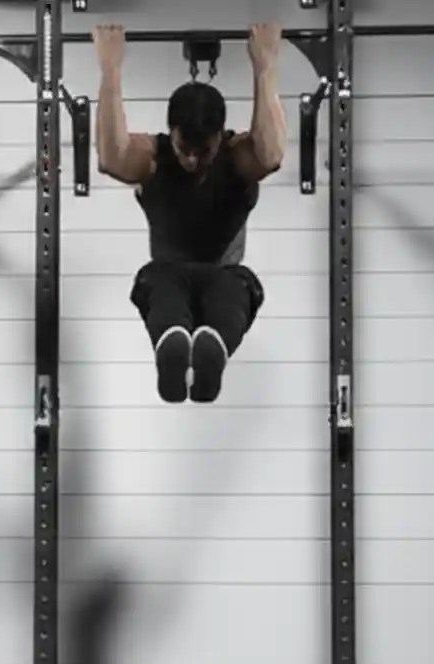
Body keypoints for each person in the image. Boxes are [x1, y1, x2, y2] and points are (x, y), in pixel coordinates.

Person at [92, 23, 287, 404]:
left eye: (205, 150)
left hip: (223, 275)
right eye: (185, 148)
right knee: (160, 287)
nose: (194, 159)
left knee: (237, 289)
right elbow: (112, 157)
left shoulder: (237, 156)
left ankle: (211, 346)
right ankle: (173, 344)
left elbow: (272, 154)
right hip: (168, 274)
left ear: (222, 136)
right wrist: (110, 70)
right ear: (171, 133)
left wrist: (264, 68)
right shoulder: (153, 157)